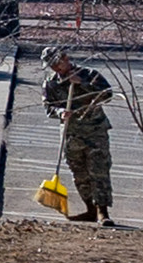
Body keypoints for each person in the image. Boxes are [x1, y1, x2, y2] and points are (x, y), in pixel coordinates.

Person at [43, 48, 117, 223]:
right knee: (80, 173)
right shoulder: (51, 83)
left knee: (99, 171)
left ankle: (103, 212)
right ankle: (90, 209)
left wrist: (83, 83)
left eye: (57, 63)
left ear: (66, 58)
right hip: (71, 134)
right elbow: (49, 107)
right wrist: (60, 112)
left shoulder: (90, 74)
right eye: (52, 65)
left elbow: (107, 95)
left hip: (95, 131)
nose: (55, 68)